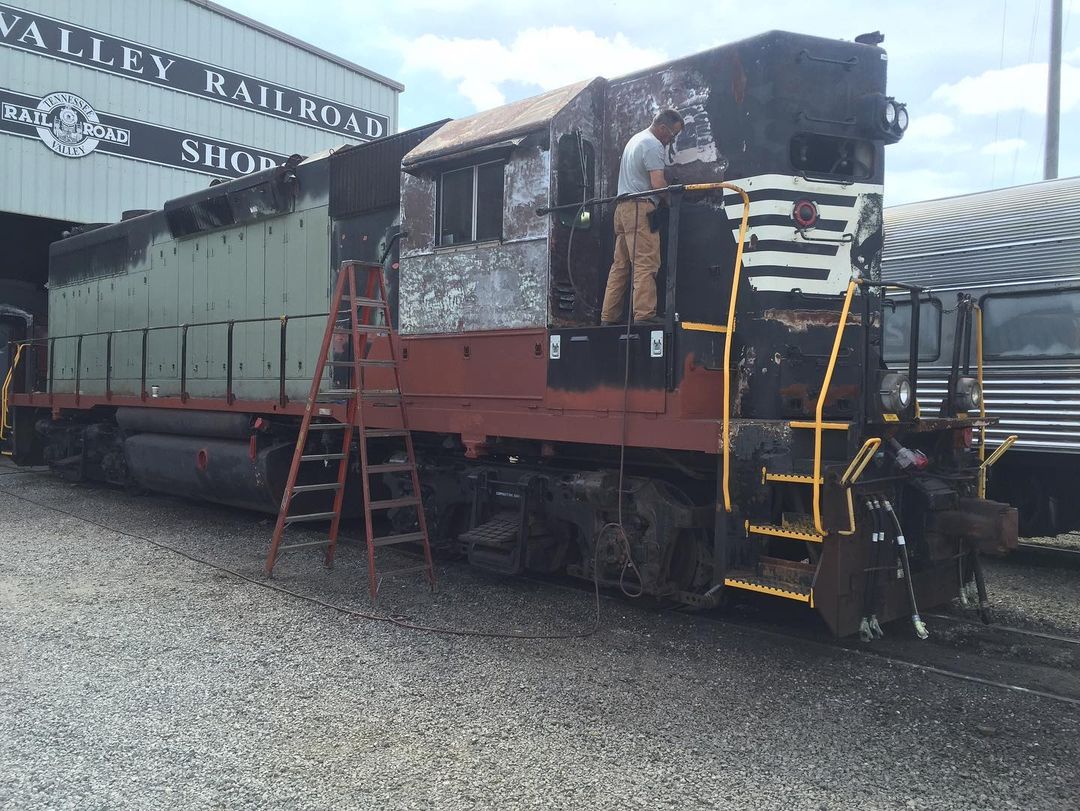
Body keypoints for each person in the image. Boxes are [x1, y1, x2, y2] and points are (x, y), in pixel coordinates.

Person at [600, 108, 684, 326]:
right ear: (663, 128)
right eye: (672, 135)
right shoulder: (652, 144)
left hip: (622, 209)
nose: (670, 141)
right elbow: (657, 184)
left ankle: (608, 316)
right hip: (640, 208)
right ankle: (644, 314)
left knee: (620, 265)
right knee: (646, 262)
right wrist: (670, 199)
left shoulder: (635, 140)